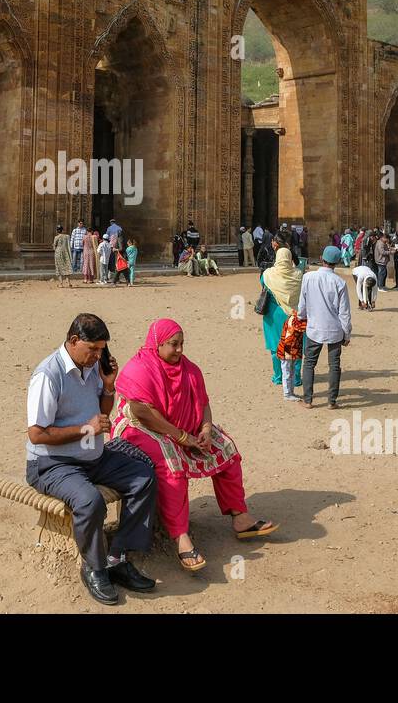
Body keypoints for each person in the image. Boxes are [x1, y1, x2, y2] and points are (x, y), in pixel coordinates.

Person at [113, 318, 277, 573]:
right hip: (141, 428)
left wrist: (206, 429)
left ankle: (240, 517)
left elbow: (203, 403)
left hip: (183, 428)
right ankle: (180, 536)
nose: (179, 350)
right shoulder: (140, 368)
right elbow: (141, 411)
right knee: (172, 464)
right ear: (157, 344)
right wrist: (180, 437)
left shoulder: (189, 369)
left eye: (182, 344)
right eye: (173, 345)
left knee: (226, 449)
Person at [25, 314, 158, 605]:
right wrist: (86, 429)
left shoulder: (91, 367)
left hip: (93, 455)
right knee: (89, 501)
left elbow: (103, 412)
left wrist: (108, 386)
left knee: (143, 478)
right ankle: (94, 567)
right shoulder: (48, 375)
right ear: (74, 341)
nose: (98, 356)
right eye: (93, 350)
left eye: (101, 350)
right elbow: (37, 434)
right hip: (52, 463)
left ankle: (117, 556)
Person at [297, 245, 352, 409]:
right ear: (337, 262)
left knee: (309, 363)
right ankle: (331, 401)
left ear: (322, 259)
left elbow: (302, 303)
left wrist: (301, 316)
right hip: (334, 329)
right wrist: (347, 334)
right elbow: (344, 313)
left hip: (314, 327)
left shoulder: (308, 277)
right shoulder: (340, 282)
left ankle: (308, 400)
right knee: (334, 365)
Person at [262, 246, 305, 401]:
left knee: (275, 347)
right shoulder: (299, 274)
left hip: (273, 315)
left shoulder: (267, 275)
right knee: (296, 348)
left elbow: (263, 286)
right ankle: (297, 379)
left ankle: (278, 376)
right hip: (294, 315)